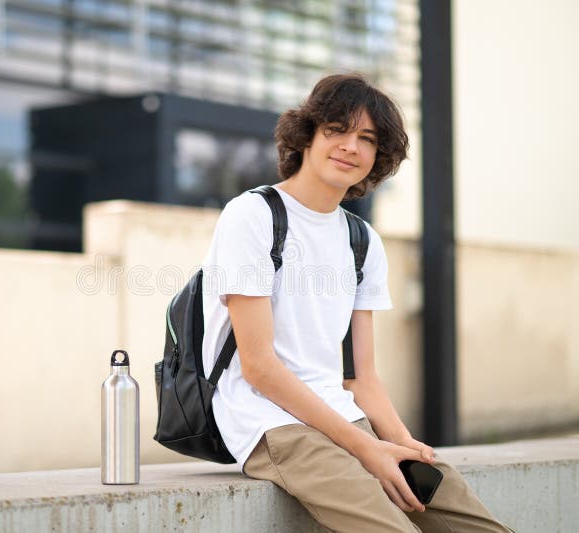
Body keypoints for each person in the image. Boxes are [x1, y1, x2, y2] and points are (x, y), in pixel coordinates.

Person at [200, 73, 514, 532]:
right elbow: (260, 368)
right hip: (270, 423)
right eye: (336, 130)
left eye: (367, 138)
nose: (351, 146)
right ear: (307, 135)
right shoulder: (253, 215)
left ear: (378, 157)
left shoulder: (360, 239)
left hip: (344, 418)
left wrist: (404, 446)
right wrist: (367, 449)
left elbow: (361, 378)